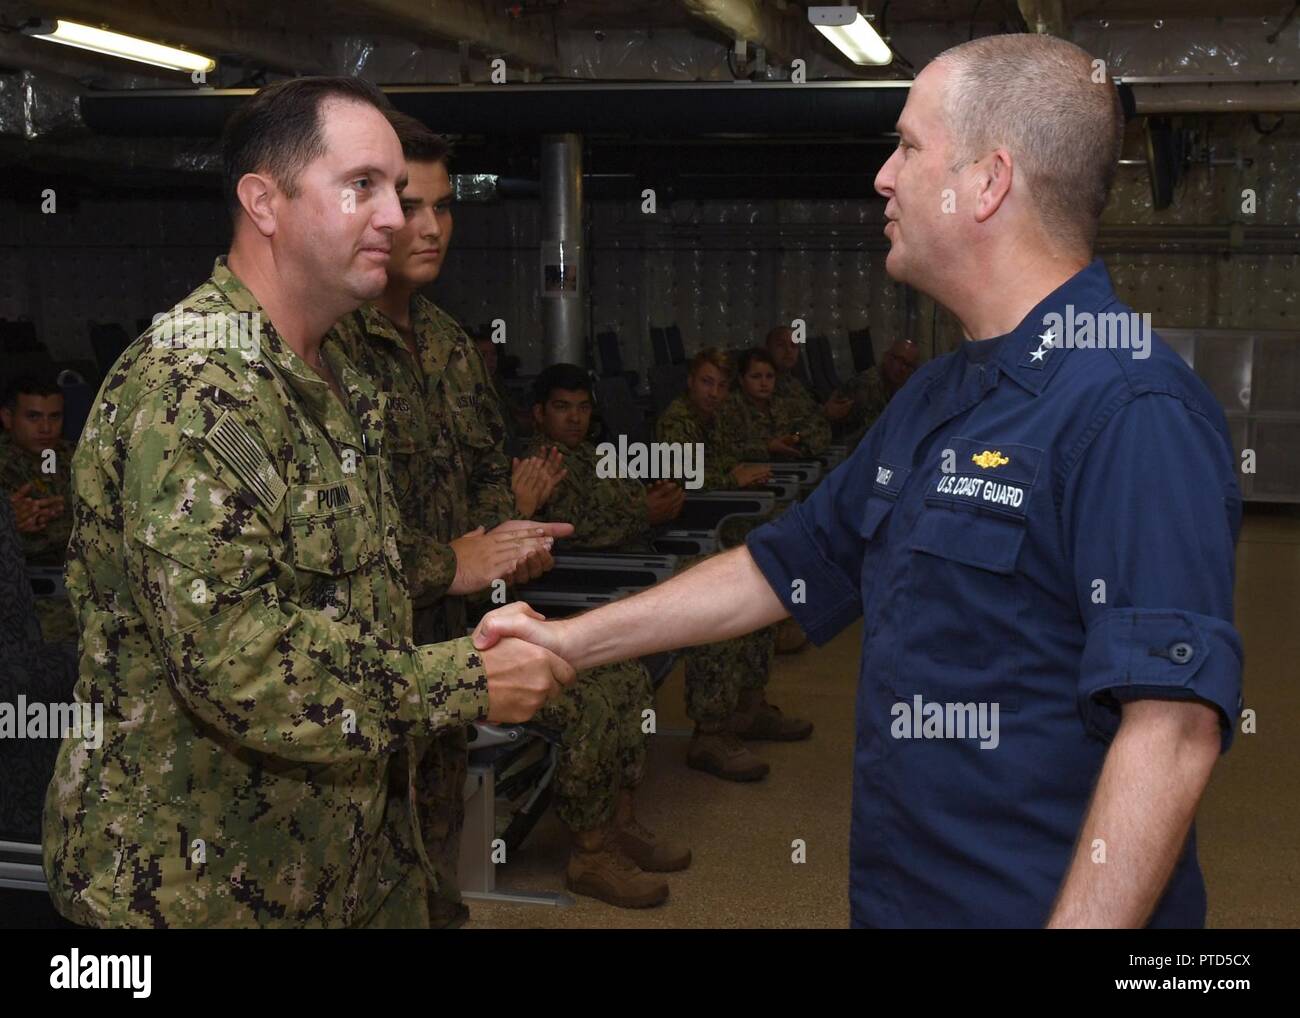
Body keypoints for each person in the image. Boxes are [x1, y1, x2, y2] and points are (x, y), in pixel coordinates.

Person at [475, 34, 1242, 929]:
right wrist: (571, 642)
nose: (883, 175)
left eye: (909, 147)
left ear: (988, 182)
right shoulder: (939, 397)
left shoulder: (1132, 409)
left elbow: (1173, 729)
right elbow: (781, 565)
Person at [42, 76, 573, 929]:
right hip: (198, 885)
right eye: (360, 186)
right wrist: (459, 680)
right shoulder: (196, 387)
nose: (398, 219)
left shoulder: (337, 376)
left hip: (344, 860)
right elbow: (238, 663)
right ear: (265, 201)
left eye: (396, 192)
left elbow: (351, 595)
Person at [329, 110, 570, 926]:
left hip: (446, 650)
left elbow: (478, 478)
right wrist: (453, 564)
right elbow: (328, 540)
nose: (429, 228)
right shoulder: (323, 346)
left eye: (443, 207)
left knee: (433, 863)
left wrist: (512, 544)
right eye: (411, 205)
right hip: (352, 667)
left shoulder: (447, 343)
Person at [527, 364, 811, 787]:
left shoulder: (592, 452)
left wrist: (655, 502)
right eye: (562, 408)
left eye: (583, 408)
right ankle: (711, 733)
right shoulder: (541, 464)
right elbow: (569, 529)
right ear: (539, 414)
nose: (574, 418)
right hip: (600, 577)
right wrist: (644, 510)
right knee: (714, 602)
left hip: (639, 555)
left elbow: (623, 504)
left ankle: (746, 707)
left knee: (748, 579)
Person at [0, 376, 76, 642]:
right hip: (26, 596)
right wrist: (7, 522)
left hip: (82, 585)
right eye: (33, 417)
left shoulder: (75, 457)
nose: (46, 427)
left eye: (55, 417)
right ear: (8, 418)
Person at [724, 348, 822, 463]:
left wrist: (797, 438)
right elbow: (724, 448)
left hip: (790, 469)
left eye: (770, 376)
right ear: (741, 380)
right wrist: (767, 447)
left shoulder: (782, 402)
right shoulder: (729, 407)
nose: (764, 383)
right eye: (756, 376)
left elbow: (820, 426)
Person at [837, 338, 921, 449]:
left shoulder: (900, 388)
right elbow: (876, 433)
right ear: (886, 357)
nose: (902, 368)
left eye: (909, 365)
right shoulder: (867, 384)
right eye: (899, 360)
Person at [764, 325, 833, 453]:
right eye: (781, 345)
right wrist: (825, 416)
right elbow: (787, 435)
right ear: (768, 350)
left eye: (793, 346)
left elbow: (812, 417)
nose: (788, 351)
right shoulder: (764, 385)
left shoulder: (794, 383)